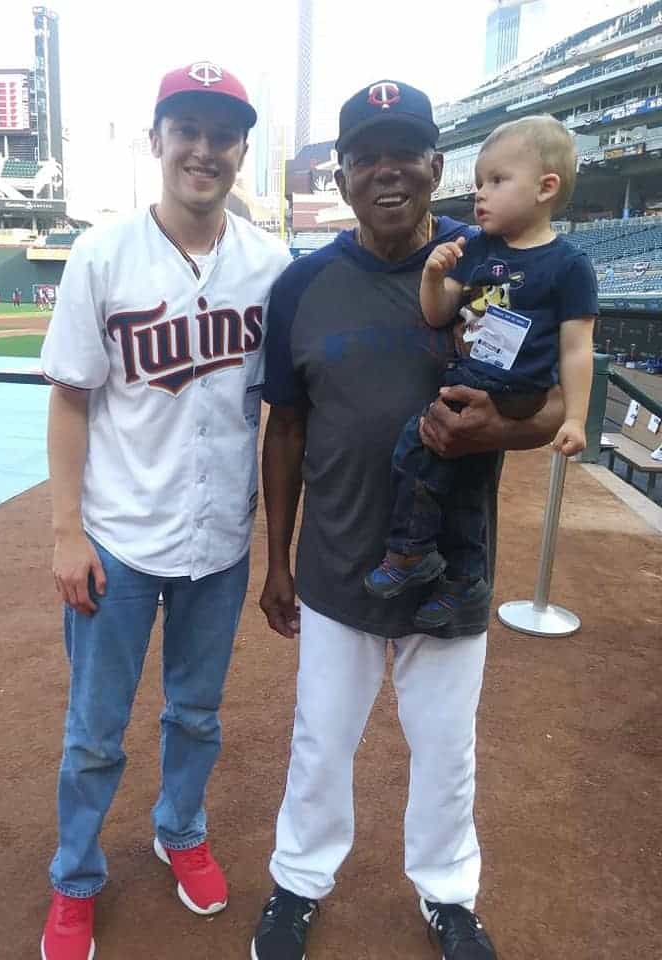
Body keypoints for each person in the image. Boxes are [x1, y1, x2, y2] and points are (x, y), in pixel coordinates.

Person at [250, 80, 565, 960]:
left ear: (438, 167)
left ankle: (448, 894)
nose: (386, 170)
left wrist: (496, 429)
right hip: (336, 562)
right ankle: (299, 882)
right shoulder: (303, 286)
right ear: (344, 175)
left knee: (445, 749)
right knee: (320, 743)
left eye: (406, 152)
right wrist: (277, 562)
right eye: (365, 155)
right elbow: (287, 427)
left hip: (451, 566)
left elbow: (549, 406)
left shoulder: (498, 268)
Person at [39, 61, 291, 960]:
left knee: (197, 713)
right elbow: (70, 398)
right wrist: (67, 532)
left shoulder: (270, 264)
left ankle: (179, 828)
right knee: (94, 731)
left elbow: (284, 410)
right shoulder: (102, 254)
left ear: (241, 150)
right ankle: (74, 877)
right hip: (118, 538)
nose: (205, 148)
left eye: (223, 133)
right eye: (187, 128)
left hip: (219, 540)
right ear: (158, 141)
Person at [365, 115, 597, 628]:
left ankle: (410, 550)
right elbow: (437, 312)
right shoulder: (479, 249)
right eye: (478, 184)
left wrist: (575, 419)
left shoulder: (568, 264)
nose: (480, 195)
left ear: (546, 187)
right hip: (477, 375)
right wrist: (433, 275)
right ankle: (465, 580)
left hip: (512, 386)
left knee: (414, 446)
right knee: (465, 484)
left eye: (496, 181)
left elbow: (578, 349)